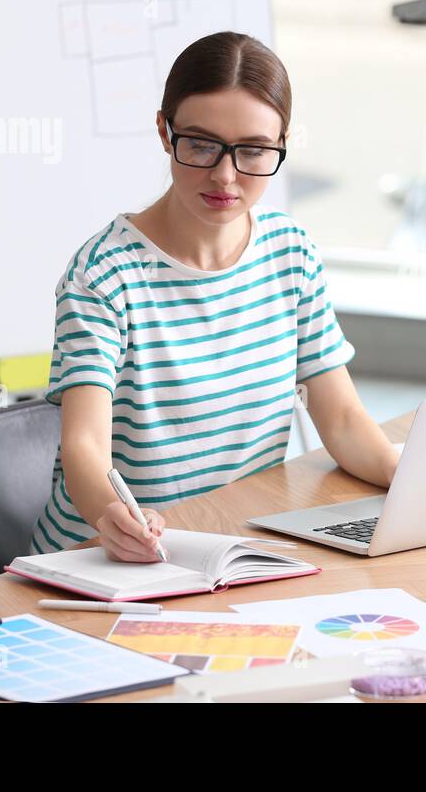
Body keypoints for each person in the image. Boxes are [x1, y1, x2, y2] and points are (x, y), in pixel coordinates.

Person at [29, 31, 400, 561]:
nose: (225, 176)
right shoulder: (103, 276)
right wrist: (112, 514)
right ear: (164, 130)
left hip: (236, 545)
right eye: (200, 144)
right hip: (110, 556)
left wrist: (407, 478)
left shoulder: (289, 252)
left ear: (281, 143)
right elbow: (85, 444)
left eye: (252, 150)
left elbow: (338, 418)